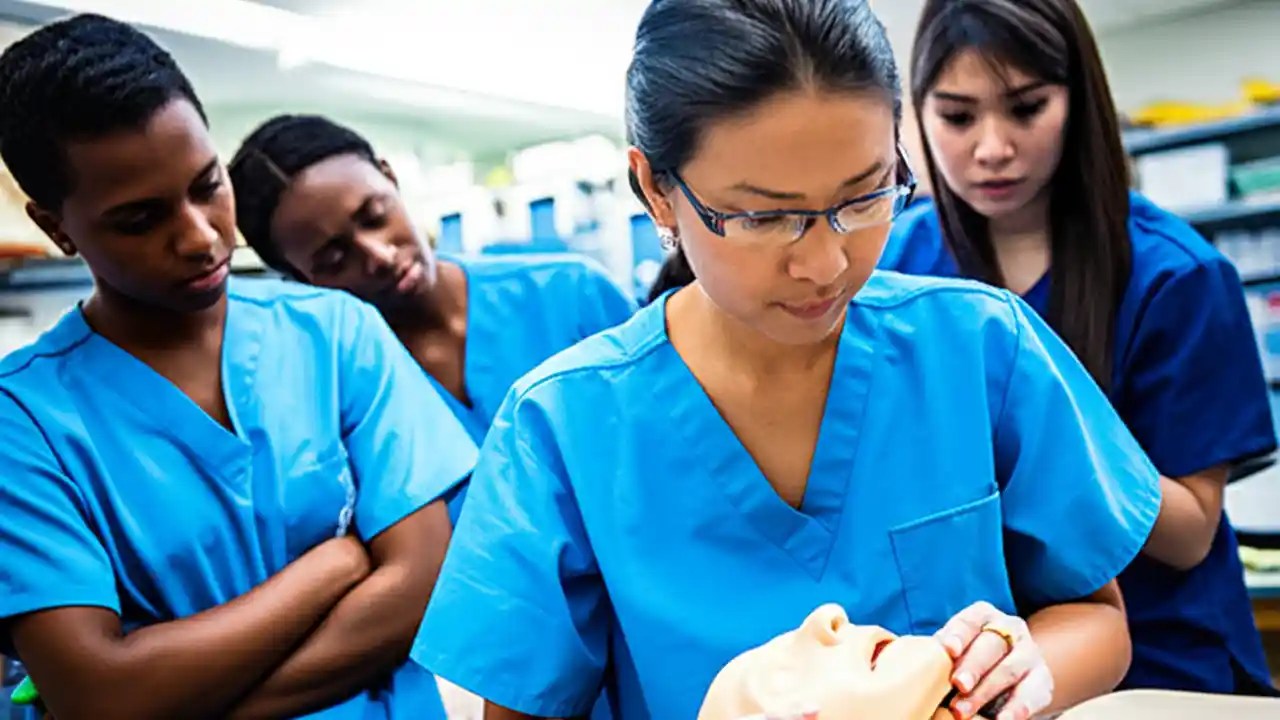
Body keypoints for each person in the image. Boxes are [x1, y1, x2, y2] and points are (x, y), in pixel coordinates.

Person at [412, 2, 1163, 719]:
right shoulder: (563, 426)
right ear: (657, 191)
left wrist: (1019, 672)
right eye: (765, 216)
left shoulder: (976, 345)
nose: (827, 262)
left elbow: (1098, 619)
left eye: (867, 195)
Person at [0, 14, 477, 720]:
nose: (199, 238)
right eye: (140, 219)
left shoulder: (334, 333)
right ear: (56, 226)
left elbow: (422, 584)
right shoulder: (24, 421)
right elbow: (100, 692)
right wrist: (336, 564)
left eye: (207, 184)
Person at [879, 0, 1277, 695]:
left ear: (1079, 99)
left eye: (1026, 108)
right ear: (918, 114)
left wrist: (1052, 431)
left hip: (1159, 659)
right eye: (958, 116)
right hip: (968, 654)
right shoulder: (897, 264)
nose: (992, 147)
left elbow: (1188, 532)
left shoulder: (1176, 276)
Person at [228, 115, 638, 452]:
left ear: (390, 178)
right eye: (335, 259)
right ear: (300, 279)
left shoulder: (572, 294)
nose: (380, 256)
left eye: (375, 216)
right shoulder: (336, 395)